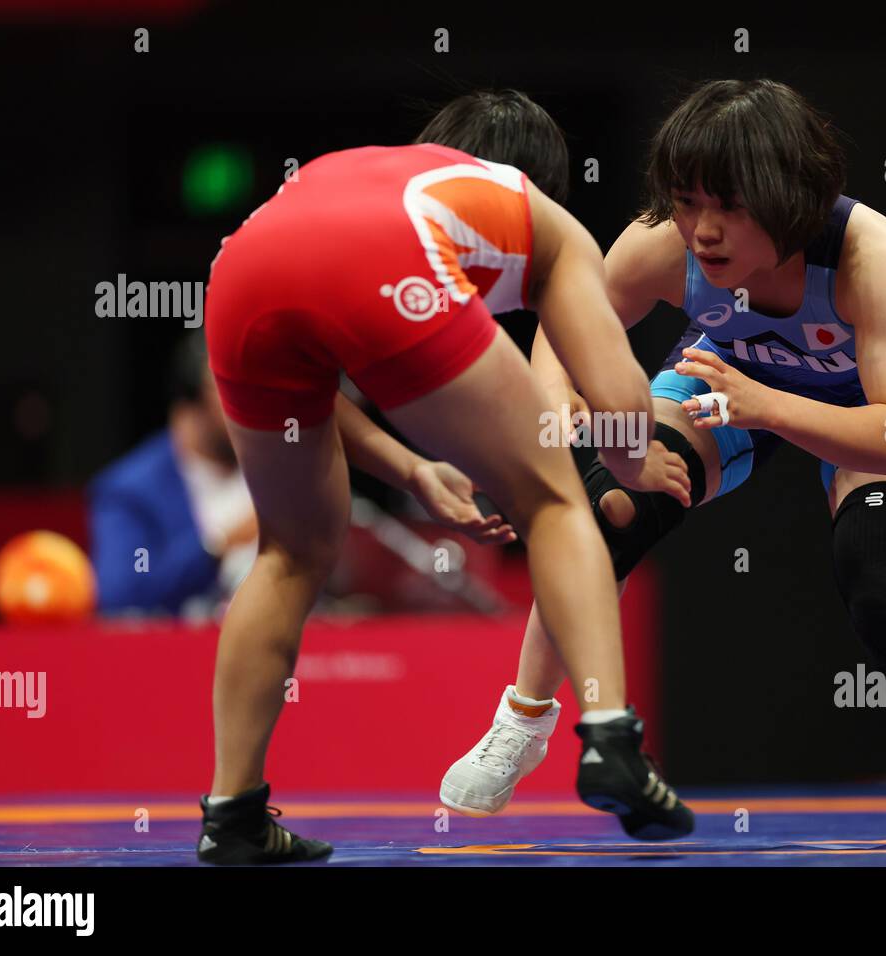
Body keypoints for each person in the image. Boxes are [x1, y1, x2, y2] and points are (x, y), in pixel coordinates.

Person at [441, 78, 886, 846]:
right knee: (605, 515)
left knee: (882, 584)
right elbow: (564, 318)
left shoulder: (873, 258)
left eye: (728, 207)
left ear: (794, 199)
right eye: (687, 202)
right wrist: (558, 402)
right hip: (719, 379)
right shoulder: (662, 243)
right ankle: (523, 721)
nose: (702, 231)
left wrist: (769, 406)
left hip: (861, 407)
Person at [195, 92, 695, 864]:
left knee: (289, 552)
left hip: (239, 270)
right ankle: (610, 740)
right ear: (536, 182)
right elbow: (623, 403)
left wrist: (411, 467)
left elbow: (318, 386)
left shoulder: (366, 178)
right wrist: (634, 463)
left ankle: (231, 818)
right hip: (385, 256)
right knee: (557, 499)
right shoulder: (539, 219)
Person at [88, 333, 258, 615]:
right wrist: (219, 544)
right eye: (233, 389)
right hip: (184, 653)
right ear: (191, 395)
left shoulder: (278, 471)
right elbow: (119, 596)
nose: (254, 404)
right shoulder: (129, 490)